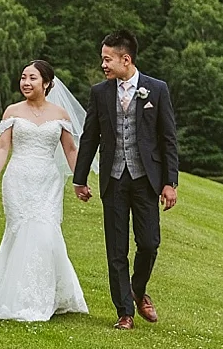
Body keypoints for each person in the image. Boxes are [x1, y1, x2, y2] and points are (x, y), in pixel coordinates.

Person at [73, 31, 180, 330]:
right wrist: (80, 178)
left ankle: (138, 289)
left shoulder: (156, 90)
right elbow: (90, 136)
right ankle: (124, 313)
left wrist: (170, 182)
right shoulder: (100, 93)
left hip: (146, 179)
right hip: (114, 178)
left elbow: (168, 139)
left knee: (149, 243)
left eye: (107, 59)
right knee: (116, 248)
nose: (103, 65)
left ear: (126, 59)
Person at [0, 59, 89, 322]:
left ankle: (48, 296)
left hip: (48, 181)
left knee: (46, 235)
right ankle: (16, 297)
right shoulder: (12, 111)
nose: (26, 82)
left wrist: (79, 181)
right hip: (19, 179)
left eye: (32, 78)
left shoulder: (59, 114)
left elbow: (70, 149)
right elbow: (3, 148)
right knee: (21, 233)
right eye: (23, 77)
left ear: (46, 83)